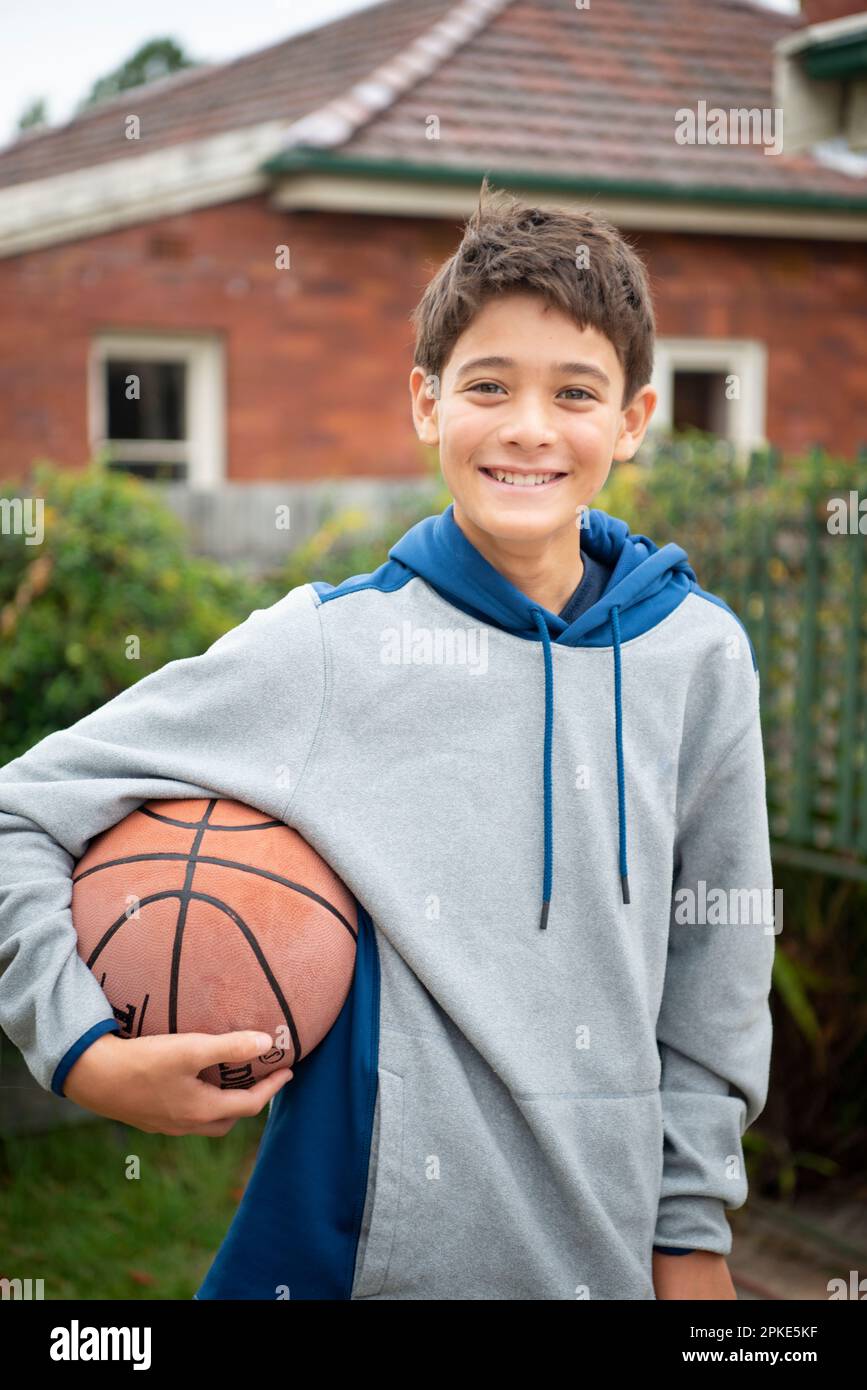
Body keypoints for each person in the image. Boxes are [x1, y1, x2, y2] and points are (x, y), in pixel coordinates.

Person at [0, 180, 775, 1300]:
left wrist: (691, 1235)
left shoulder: (700, 660)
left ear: (633, 420)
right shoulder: (330, 651)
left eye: (575, 391)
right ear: (426, 402)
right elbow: (21, 807)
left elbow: (715, 975)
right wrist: (84, 1050)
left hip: (604, 1265)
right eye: (488, 385)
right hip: (354, 1266)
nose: (527, 426)